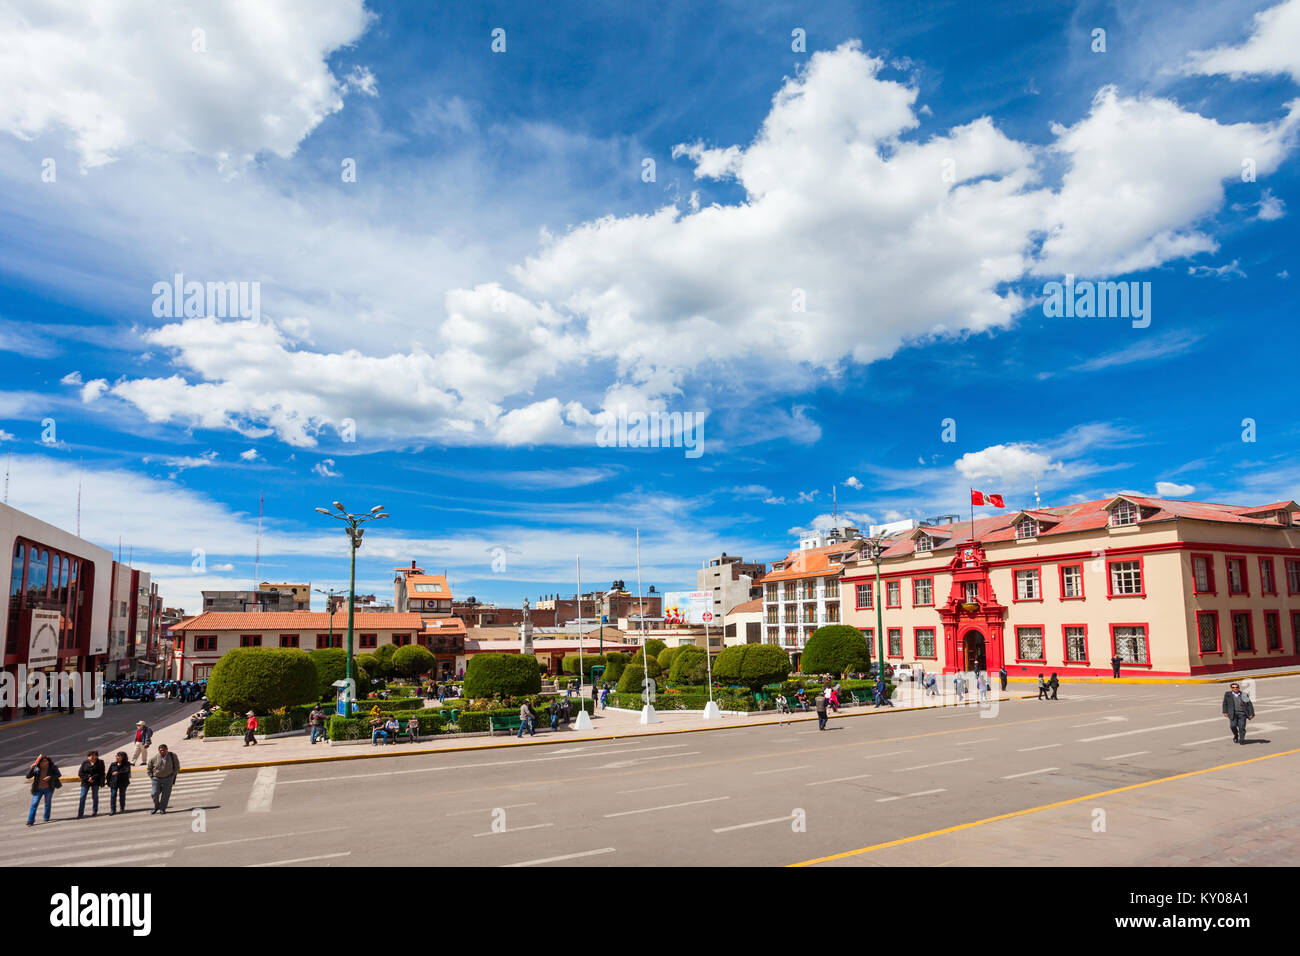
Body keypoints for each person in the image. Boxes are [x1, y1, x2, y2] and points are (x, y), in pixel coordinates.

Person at [26, 754, 61, 826]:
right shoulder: (36, 768)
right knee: (34, 804)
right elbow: (28, 776)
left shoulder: (52, 767)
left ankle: (46, 817)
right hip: (38, 789)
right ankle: (30, 820)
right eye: (42, 761)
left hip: (48, 788)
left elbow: (58, 775)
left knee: (47, 803)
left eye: (45, 761)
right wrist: (31, 769)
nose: (44, 762)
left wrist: (50, 777)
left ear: (48, 761)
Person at [146, 744, 180, 814]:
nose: (162, 751)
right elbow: (149, 768)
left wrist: (173, 775)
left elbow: (177, 766)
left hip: (168, 778)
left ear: (167, 749)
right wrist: (152, 777)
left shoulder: (172, 756)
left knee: (166, 794)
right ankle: (156, 806)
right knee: (154, 793)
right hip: (156, 779)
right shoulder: (154, 758)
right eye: (161, 750)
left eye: (164, 750)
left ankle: (162, 808)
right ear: (158, 750)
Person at [77, 750, 106, 818]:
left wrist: (93, 777)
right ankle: (80, 813)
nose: (92, 757)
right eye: (90, 755)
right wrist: (88, 778)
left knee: (95, 796)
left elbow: (101, 772)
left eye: (93, 755)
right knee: (82, 797)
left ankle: (94, 811)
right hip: (85, 782)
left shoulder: (100, 762)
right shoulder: (85, 763)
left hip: (95, 781)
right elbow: (80, 773)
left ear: (96, 756)